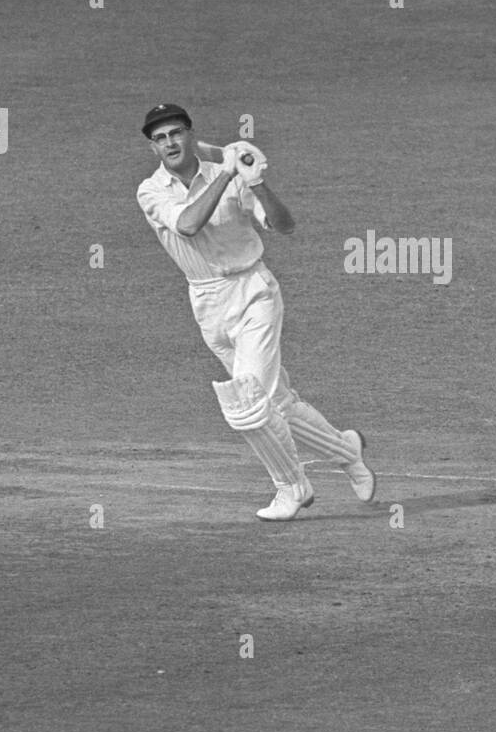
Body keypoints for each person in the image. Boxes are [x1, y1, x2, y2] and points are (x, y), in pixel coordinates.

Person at [135, 103, 376, 521]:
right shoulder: (150, 191)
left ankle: (292, 487)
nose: (170, 143)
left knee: (248, 404)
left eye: (176, 133)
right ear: (153, 147)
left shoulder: (230, 177)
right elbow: (189, 224)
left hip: (254, 292)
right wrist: (228, 171)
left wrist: (258, 183)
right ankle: (346, 450)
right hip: (207, 303)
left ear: (191, 134)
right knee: (277, 402)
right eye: (160, 138)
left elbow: (285, 225)